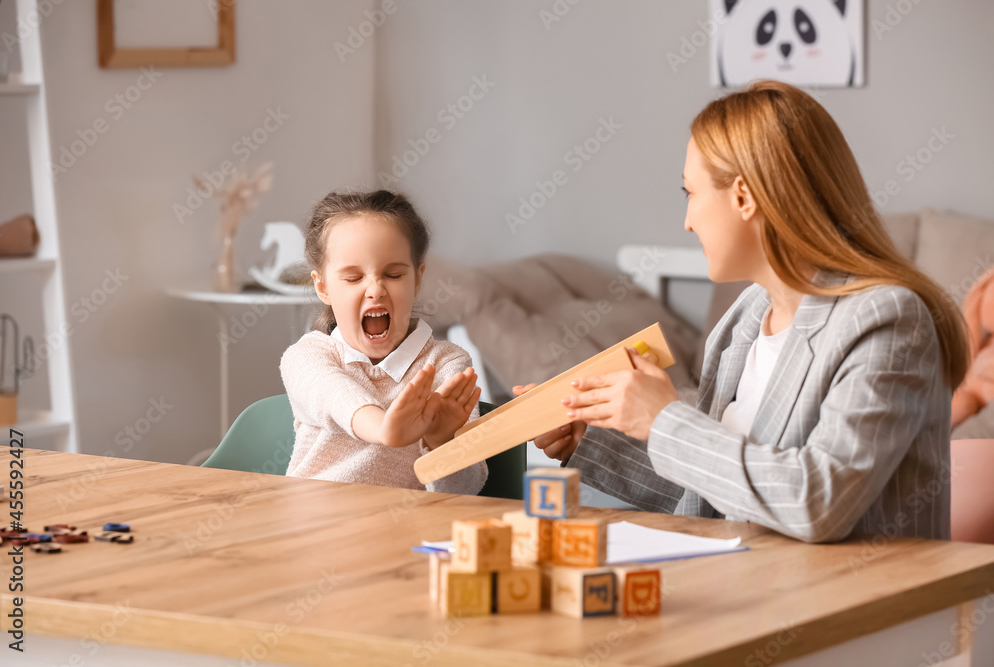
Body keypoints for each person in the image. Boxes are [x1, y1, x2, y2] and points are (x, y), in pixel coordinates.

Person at [517, 80, 969, 543]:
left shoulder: (887, 321)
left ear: (744, 196)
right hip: (747, 588)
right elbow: (720, 492)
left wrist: (664, 418)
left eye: (690, 193)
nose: (687, 221)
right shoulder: (745, 320)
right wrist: (592, 440)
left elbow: (819, 503)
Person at [280, 189, 488, 494]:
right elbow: (335, 395)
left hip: (402, 534)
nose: (375, 290)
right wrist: (385, 428)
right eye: (353, 278)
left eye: (392, 274)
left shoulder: (448, 363)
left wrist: (441, 443)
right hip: (312, 527)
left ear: (417, 280)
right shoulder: (308, 356)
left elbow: (466, 491)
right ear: (323, 287)